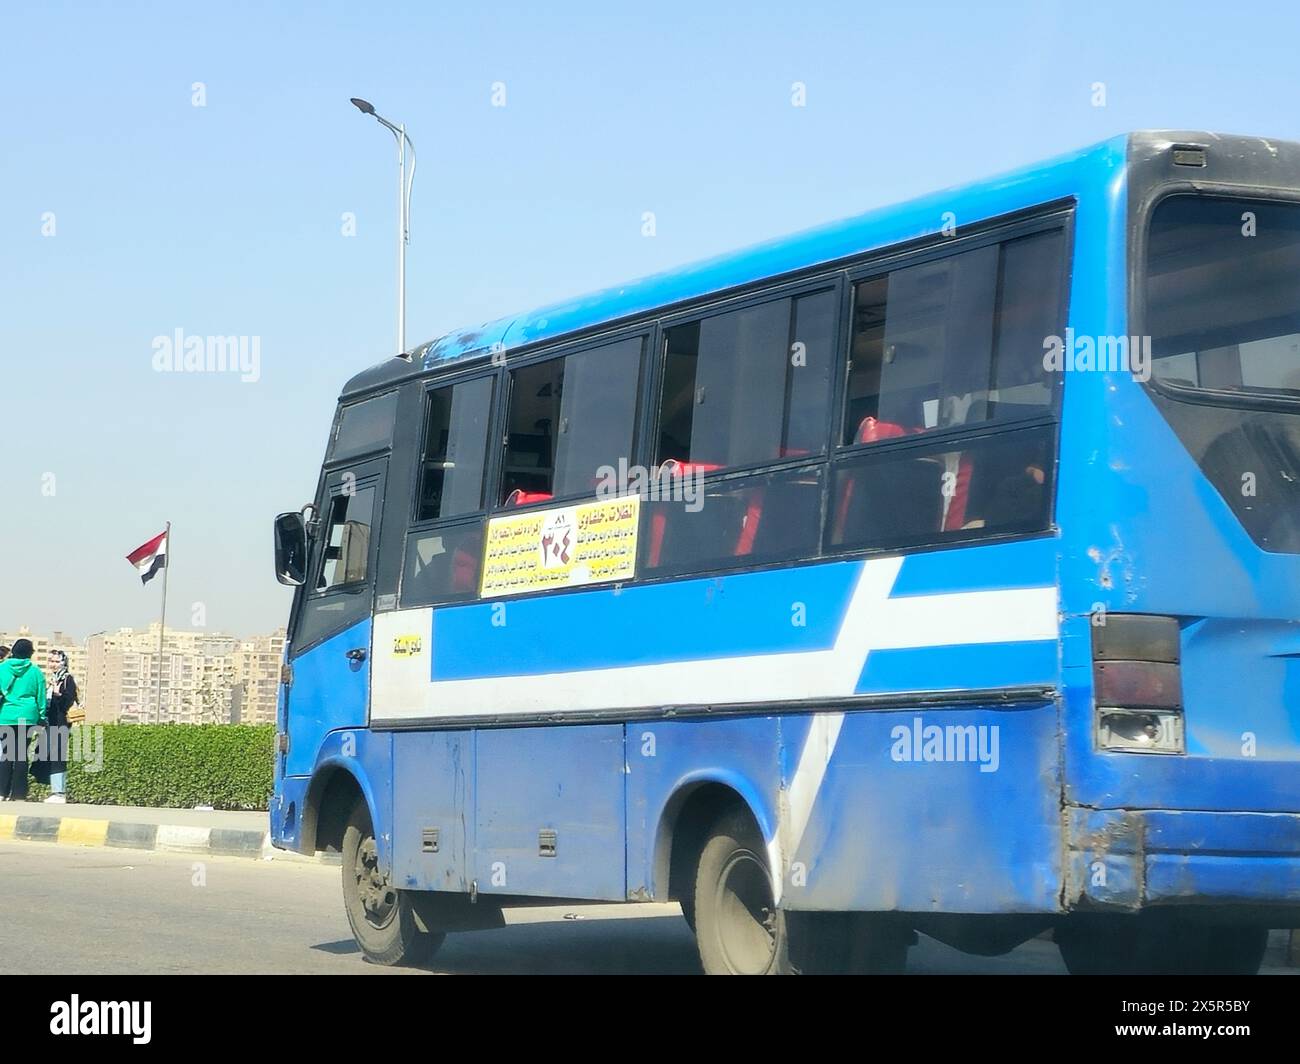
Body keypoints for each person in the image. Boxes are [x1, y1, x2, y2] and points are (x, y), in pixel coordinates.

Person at [0, 639, 46, 801]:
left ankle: (1, 792)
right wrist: (42, 715)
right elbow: (41, 697)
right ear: (29, 653)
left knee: (6, 753)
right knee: (20, 754)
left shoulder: (2, 668)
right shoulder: (35, 672)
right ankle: (18, 793)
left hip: (6, 715)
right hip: (27, 717)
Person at [41, 650, 78, 803]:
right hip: (52, 723)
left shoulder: (67, 679)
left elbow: (68, 701)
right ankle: (56, 790)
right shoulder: (53, 679)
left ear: (63, 662)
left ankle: (59, 792)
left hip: (61, 723)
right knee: (50, 755)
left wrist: (58, 694)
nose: (53, 664)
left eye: (57, 661)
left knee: (57, 757)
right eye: (51, 661)